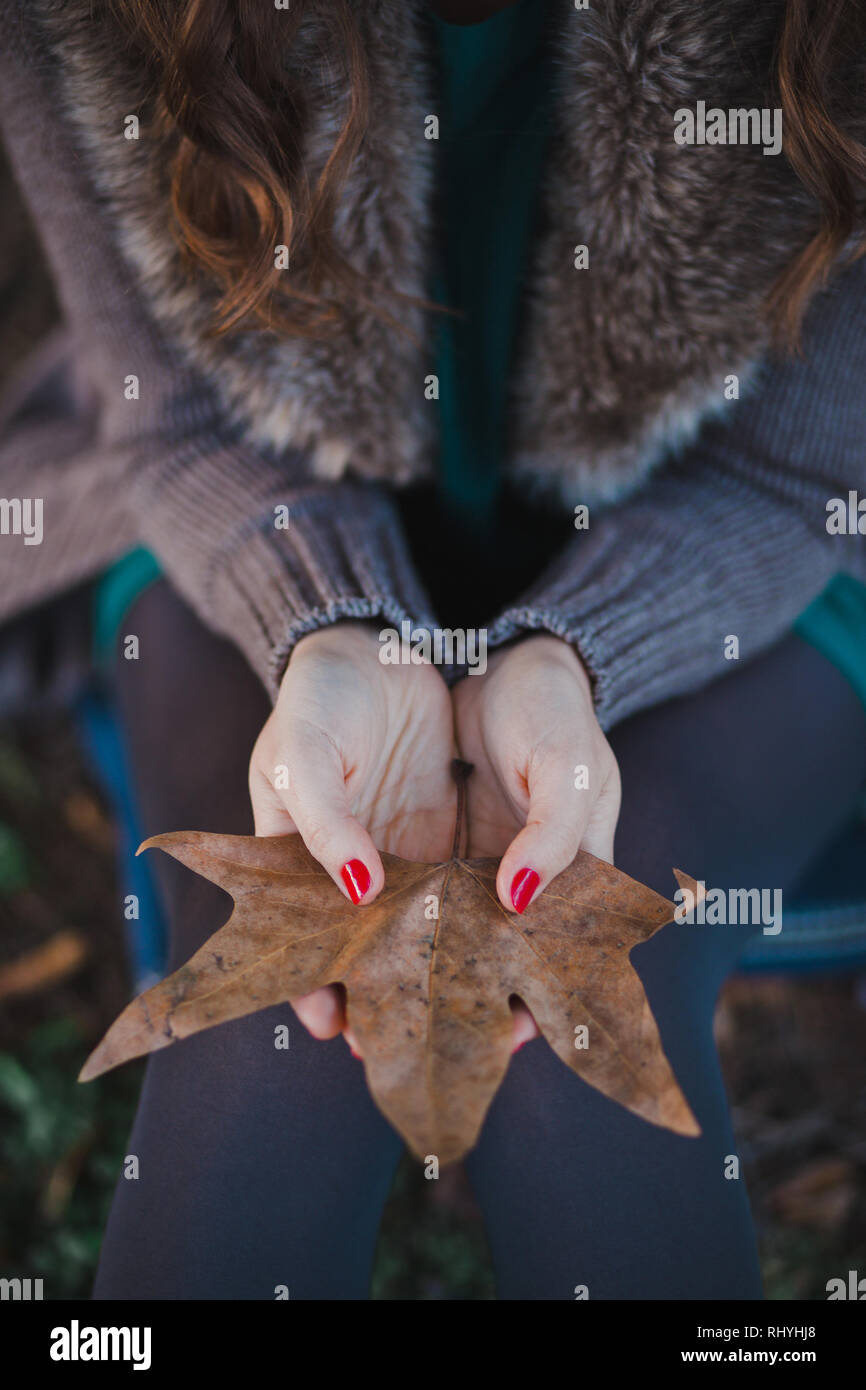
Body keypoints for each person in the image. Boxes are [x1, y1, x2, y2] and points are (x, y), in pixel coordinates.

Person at [1, 0, 866, 1300]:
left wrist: (573, 653)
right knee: (281, 993)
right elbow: (174, 421)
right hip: (245, 504)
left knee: (578, 996)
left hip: (738, 540)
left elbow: (795, 472)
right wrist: (325, 624)